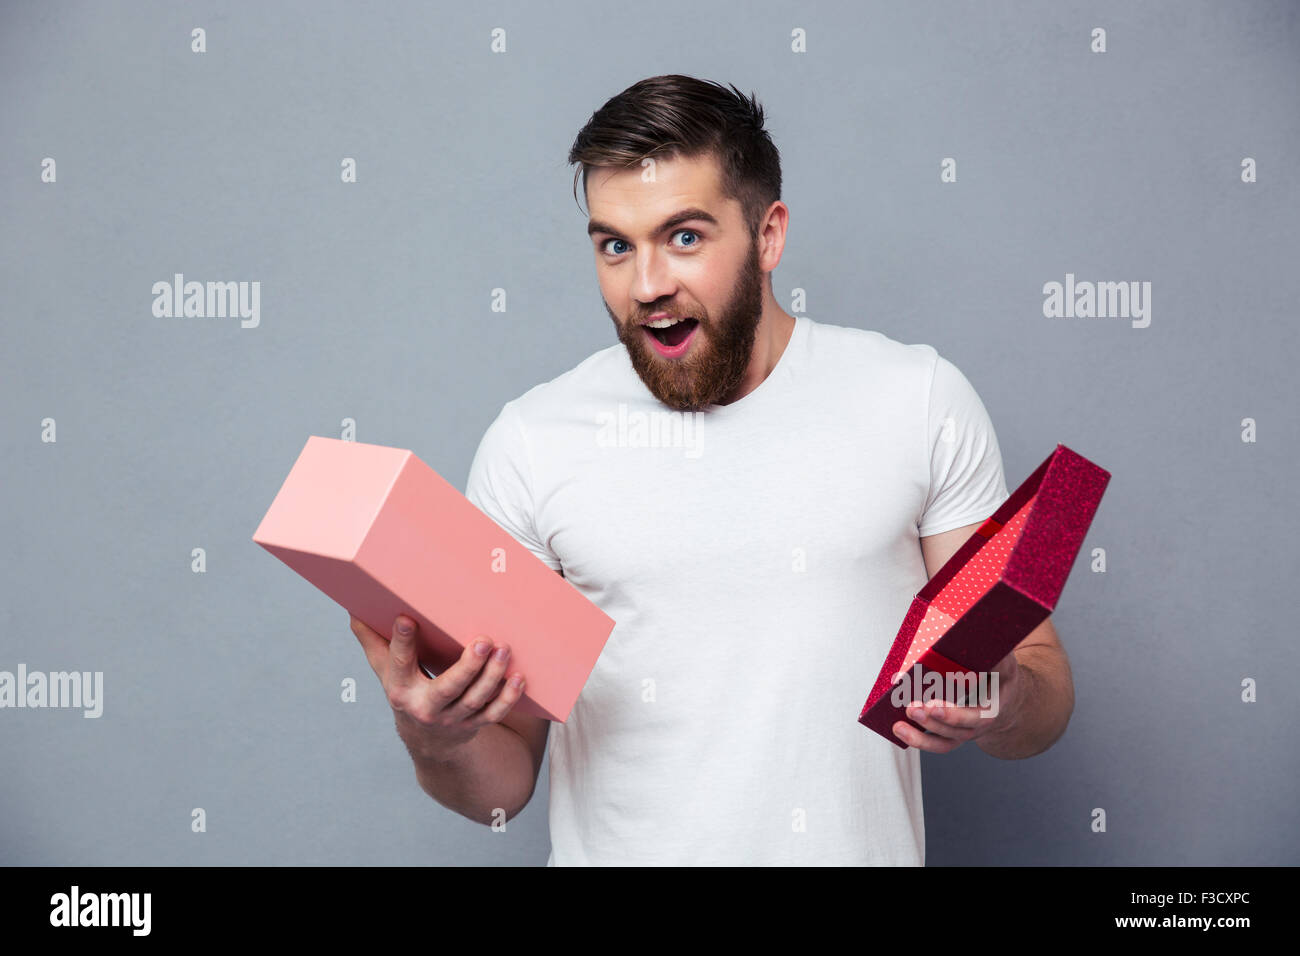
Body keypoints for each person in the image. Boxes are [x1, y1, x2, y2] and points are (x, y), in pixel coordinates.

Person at [350, 74, 1074, 865]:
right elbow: (502, 783)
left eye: (685, 237)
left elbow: (1042, 689)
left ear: (769, 235)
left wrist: (997, 699)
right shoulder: (531, 440)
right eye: (615, 246)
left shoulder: (924, 396)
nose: (648, 285)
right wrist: (433, 736)